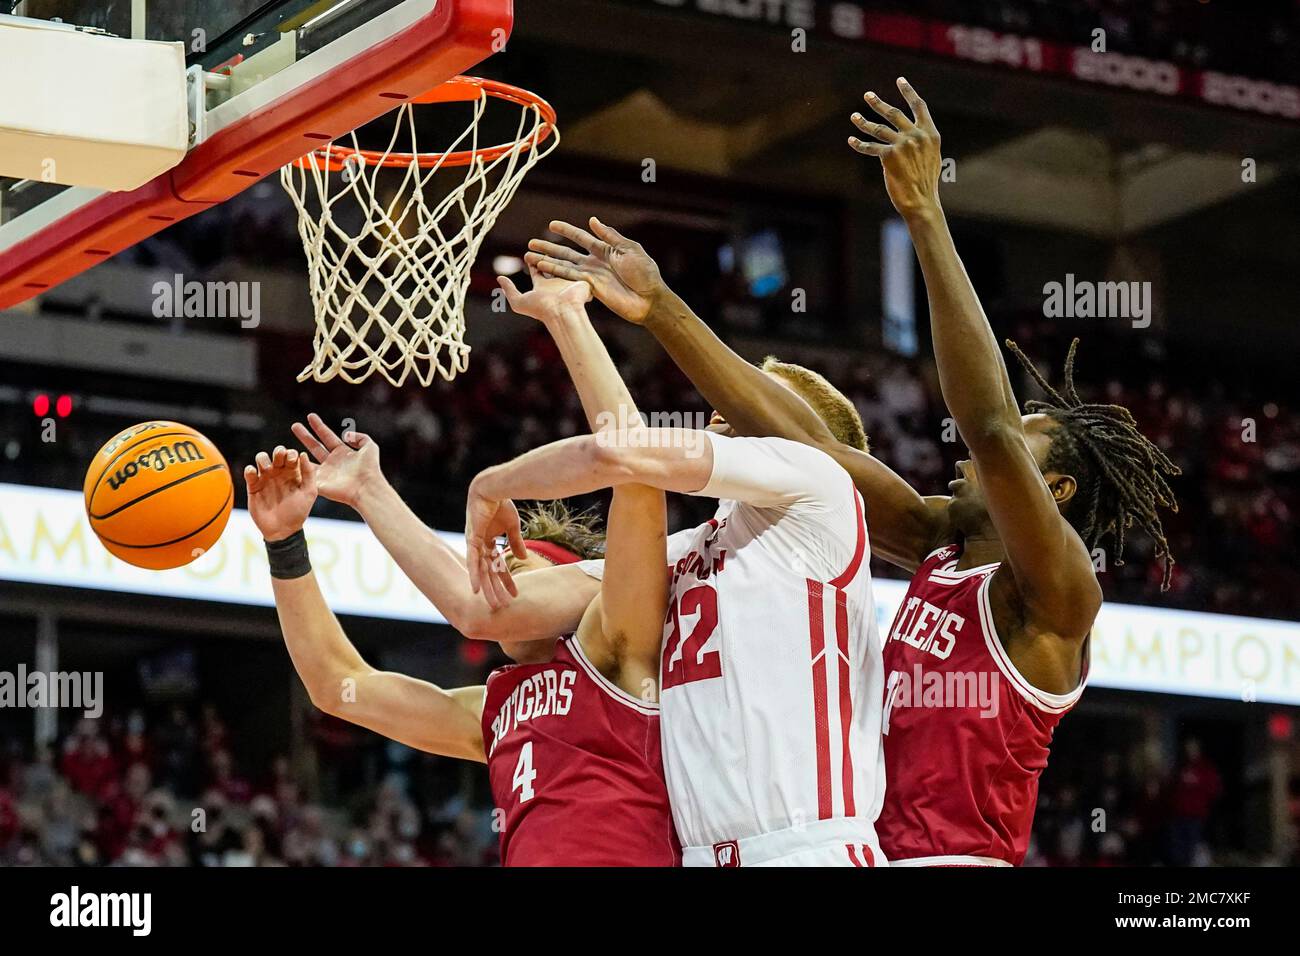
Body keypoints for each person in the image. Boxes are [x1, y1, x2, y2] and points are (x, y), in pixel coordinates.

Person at [524, 78, 1179, 867]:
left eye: (1027, 452)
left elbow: (993, 427)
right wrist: (664, 308)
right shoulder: (937, 544)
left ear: (1058, 491)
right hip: (858, 849)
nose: (967, 460)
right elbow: (803, 444)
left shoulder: (1057, 594)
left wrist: (924, 215)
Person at [245, 274, 678, 866]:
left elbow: (636, 466)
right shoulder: (494, 709)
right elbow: (337, 685)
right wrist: (285, 542)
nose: (491, 577)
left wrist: (567, 319)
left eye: (514, 565)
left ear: (570, 585)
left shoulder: (618, 648)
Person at [466, 279, 886, 868]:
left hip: (808, 846)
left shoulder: (820, 491)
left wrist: (491, 483)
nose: (722, 399)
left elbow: (624, 454)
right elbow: (493, 609)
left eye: (751, 397)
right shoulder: (685, 550)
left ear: (807, 435)